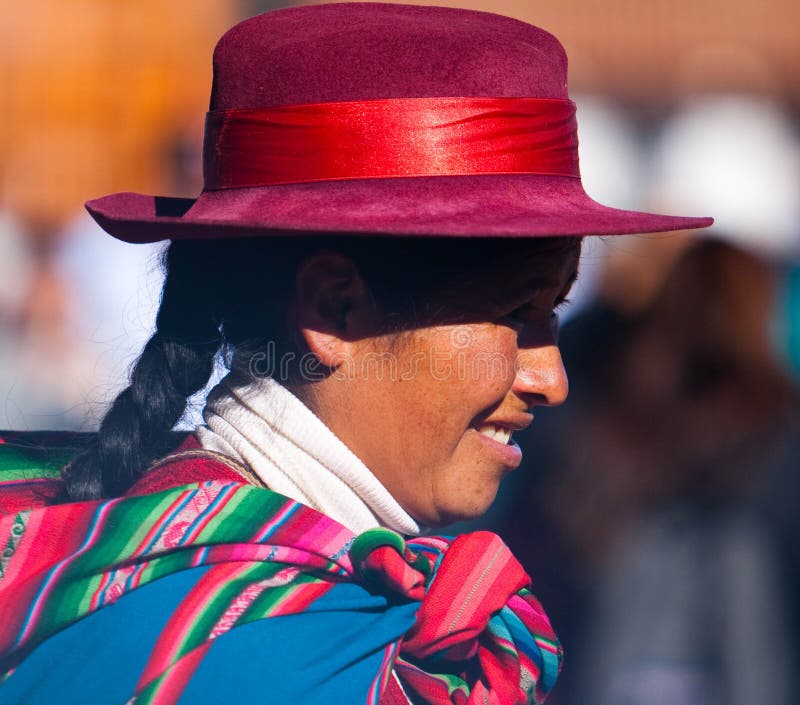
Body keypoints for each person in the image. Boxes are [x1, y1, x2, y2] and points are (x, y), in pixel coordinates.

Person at [0, 4, 711, 704]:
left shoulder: (135, 549)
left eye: (552, 312)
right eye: (515, 313)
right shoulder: (287, 662)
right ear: (335, 309)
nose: (551, 379)